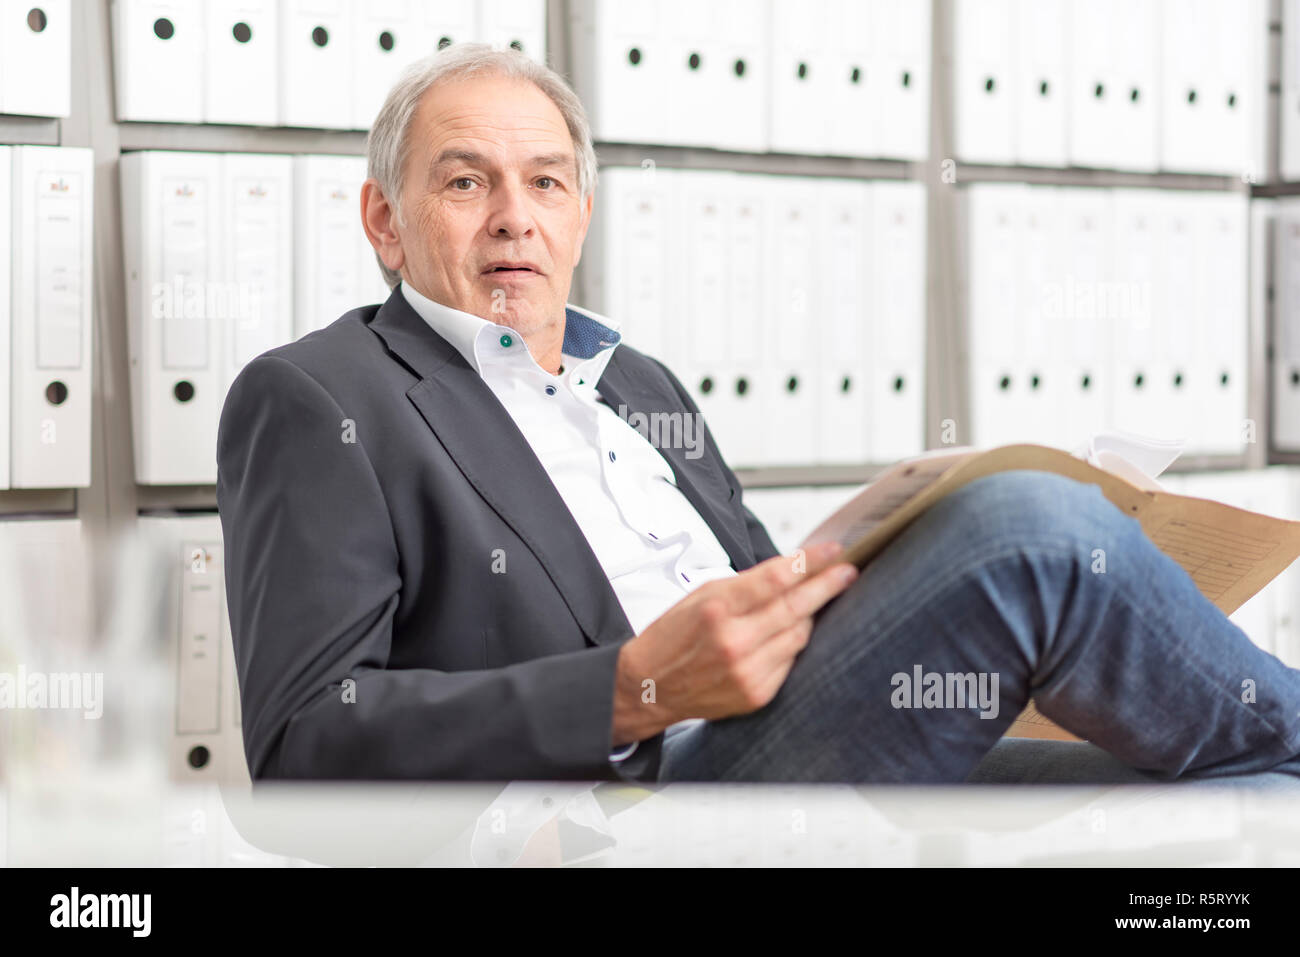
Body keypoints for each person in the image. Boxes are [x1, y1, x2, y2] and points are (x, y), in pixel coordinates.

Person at [216, 43, 1300, 788]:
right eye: (465, 183)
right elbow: (305, 741)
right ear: (384, 220)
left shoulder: (639, 385)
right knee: (1030, 530)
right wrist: (630, 690)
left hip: (787, 744)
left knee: (1230, 794)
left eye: (546, 184)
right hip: (631, 805)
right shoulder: (320, 397)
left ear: (581, 215)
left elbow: (764, 617)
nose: (514, 219)